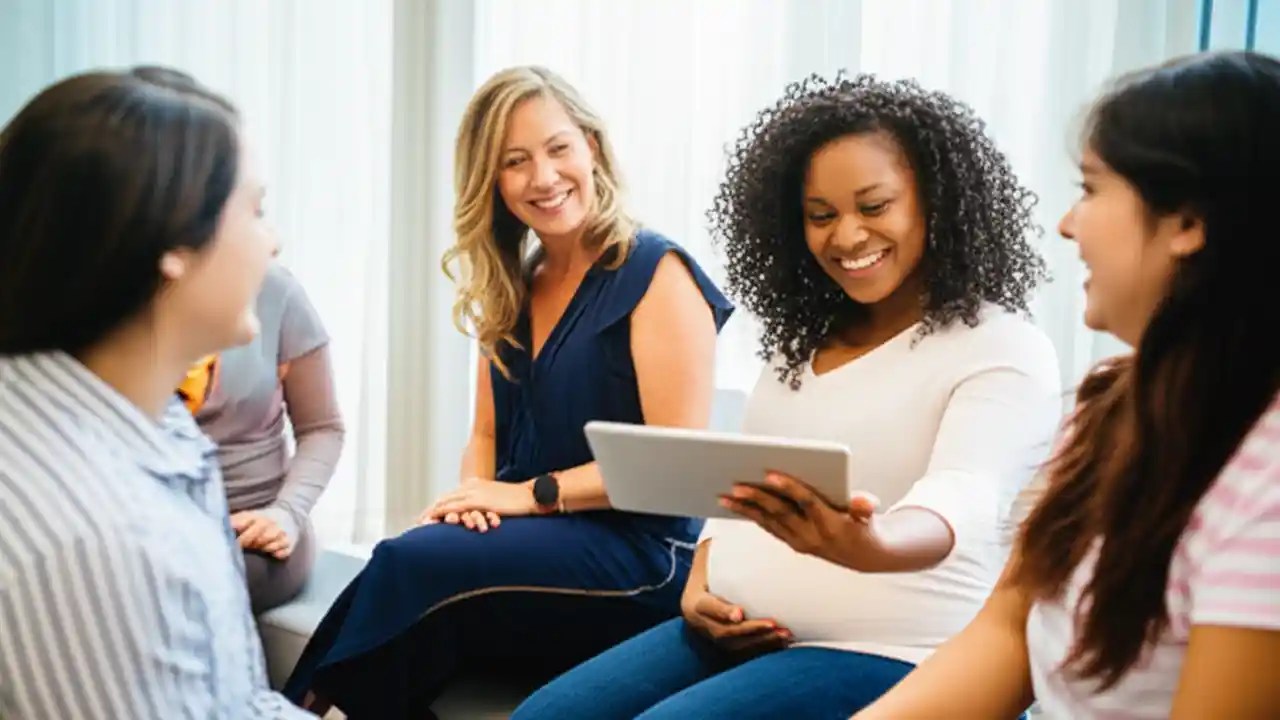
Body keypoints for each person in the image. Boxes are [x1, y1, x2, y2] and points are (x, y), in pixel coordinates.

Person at [514, 74, 1062, 719]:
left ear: (937, 202)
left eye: (875, 206)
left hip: (892, 649)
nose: (847, 236)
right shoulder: (802, 345)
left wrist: (873, 545)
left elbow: (963, 495)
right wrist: (699, 586)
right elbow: (737, 484)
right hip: (740, 628)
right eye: (821, 216)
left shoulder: (1001, 346)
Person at [283, 65, 733, 718]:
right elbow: (487, 435)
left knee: (409, 562)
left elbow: (674, 463)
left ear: (592, 148)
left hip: (641, 558)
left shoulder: (656, 273)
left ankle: (296, 709)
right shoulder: (516, 283)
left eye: (557, 149)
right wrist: (474, 505)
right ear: (492, 183)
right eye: (515, 162)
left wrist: (523, 497)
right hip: (539, 538)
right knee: (417, 582)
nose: (543, 177)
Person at [858, 51, 1280, 720]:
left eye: (1090, 188)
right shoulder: (1108, 409)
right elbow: (1006, 632)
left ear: (1190, 224)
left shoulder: (1267, 486)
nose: (1066, 224)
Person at [0, 67, 311, 717]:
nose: (272, 240)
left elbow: (231, 698)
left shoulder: (155, 424)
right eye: (254, 211)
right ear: (172, 240)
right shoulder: (101, 541)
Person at [187, 263, 345, 613]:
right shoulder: (121, 296)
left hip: (258, 530)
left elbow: (323, 428)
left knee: (190, 583)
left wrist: (285, 514)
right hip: (157, 530)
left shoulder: (275, 291)